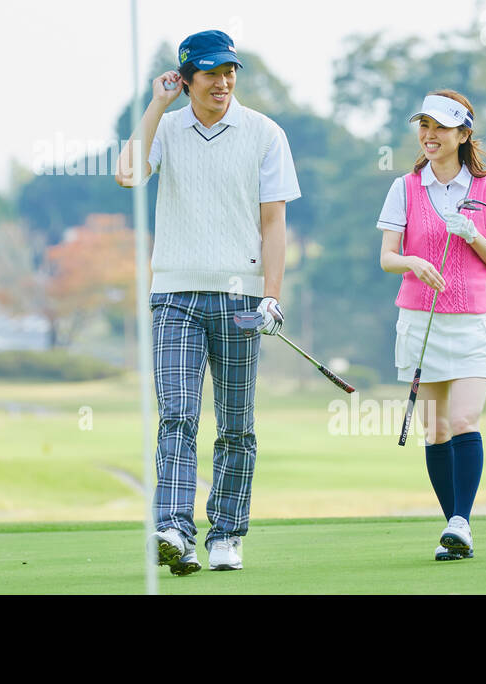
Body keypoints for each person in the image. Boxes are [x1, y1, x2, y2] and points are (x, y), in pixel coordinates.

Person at [116, 29, 301, 576]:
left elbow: (274, 223)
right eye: (211, 73)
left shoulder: (265, 134)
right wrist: (155, 103)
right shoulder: (167, 128)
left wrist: (272, 296)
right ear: (187, 78)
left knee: (237, 423)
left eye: (229, 73)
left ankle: (227, 532)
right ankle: (174, 527)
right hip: (174, 293)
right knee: (177, 413)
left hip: (242, 297)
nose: (222, 83)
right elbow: (129, 174)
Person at [376, 90, 486, 561]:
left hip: (474, 320)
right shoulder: (405, 187)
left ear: (463, 134)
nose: (429, 136)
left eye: (440, 127)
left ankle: (461, 523)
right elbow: (387, 257)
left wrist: (473, 235)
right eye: (424, 126)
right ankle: (454, 531)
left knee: (462, 420)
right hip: (421, 322)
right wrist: (414, 262)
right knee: (435, 431)